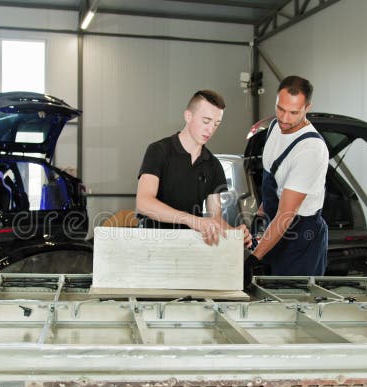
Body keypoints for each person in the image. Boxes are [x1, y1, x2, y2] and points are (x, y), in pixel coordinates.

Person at [136, 90, 251, 247]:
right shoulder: (159, 151)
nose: (210, 129)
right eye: (206, 121)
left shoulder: (213, 165)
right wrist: (192, 220)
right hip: (152, 245)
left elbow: (215, 218)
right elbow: (144, 203)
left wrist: (235, 234)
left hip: (190, 248)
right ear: (188, 116)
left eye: (216, 124)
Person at [245, 76, 329, 284]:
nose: (284, 118)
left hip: (301, 237)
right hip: (276, 227)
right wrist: (260, 217)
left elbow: (286, 213)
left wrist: (254, 258)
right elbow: (274, 184)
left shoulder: (310, 149)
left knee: (293, 303)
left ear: (307, 107)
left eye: (293, 112)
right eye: (280, 108)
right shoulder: (274, 127)